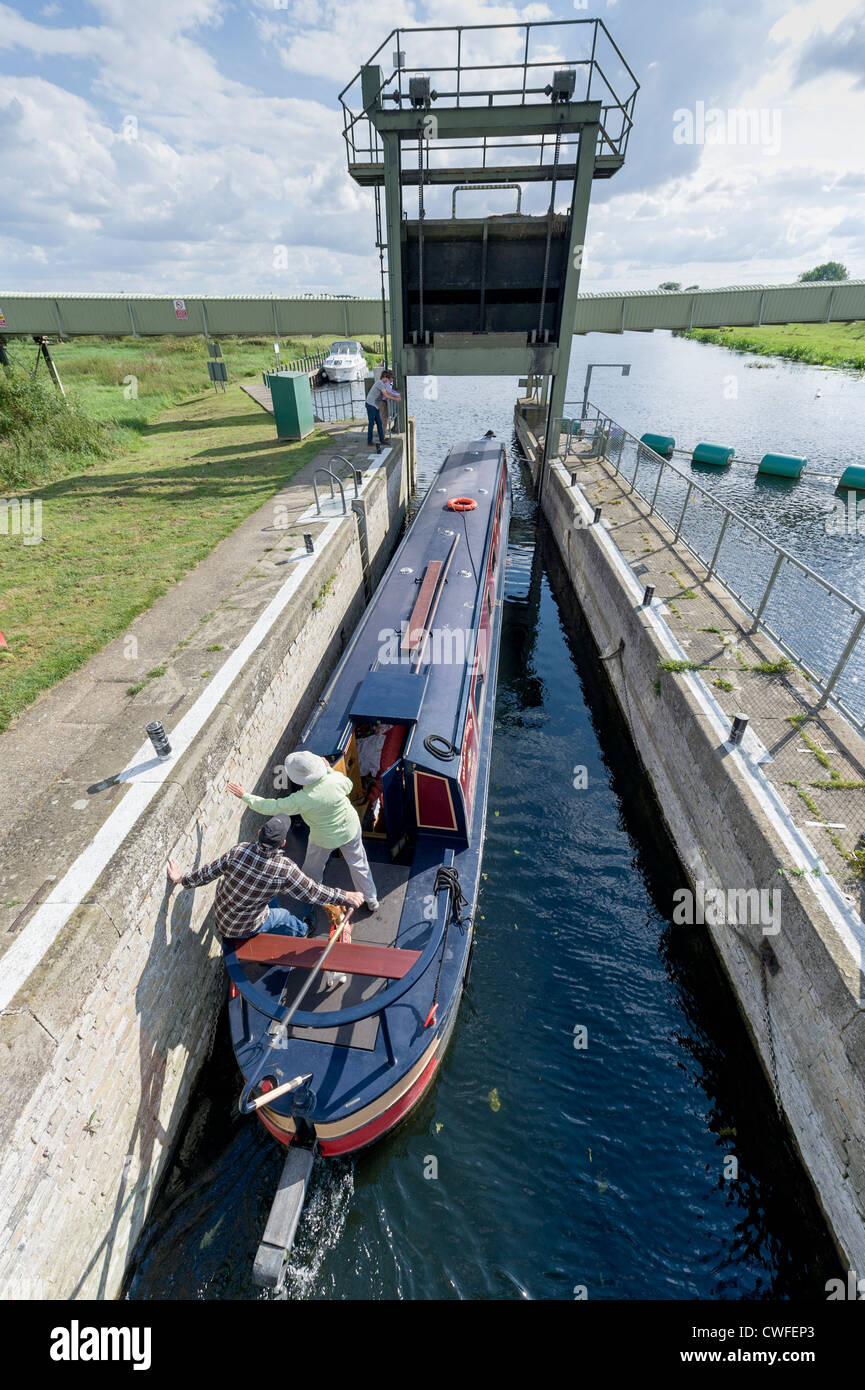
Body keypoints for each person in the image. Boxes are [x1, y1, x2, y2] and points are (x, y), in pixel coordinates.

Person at [166, 813, 363, 945]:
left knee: (268, 895)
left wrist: (180, 879)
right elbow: (311, 892)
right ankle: (304, 930)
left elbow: (206, 873)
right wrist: (344, 895)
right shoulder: (283, 869)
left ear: (259, 833)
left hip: (222, 919)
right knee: (284, 916)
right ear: (283, 843)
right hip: (243, 927)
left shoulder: (238, 850)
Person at [227, 749, 379, 912]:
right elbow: (348, 785)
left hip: (323, 838)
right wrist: (329, 770)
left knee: (312, 869)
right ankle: (372, 900)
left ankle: (312, 896)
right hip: (350, 828)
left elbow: (270, 806)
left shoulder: (301, 799)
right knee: (359, 864)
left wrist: (245, 796)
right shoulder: (334, 779)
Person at [366, 370, 400, 452]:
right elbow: (385, 395)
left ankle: (382, 440)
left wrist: (396, 395)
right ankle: (369, 441)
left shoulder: (383, 384)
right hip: (371, 405)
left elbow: (388, 392)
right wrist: (396, 398)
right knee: (371, 423)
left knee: (379, 423)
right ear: (384, 377)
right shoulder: (380, 383)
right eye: (387, 378)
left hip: (376, 406)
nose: (388, 380)